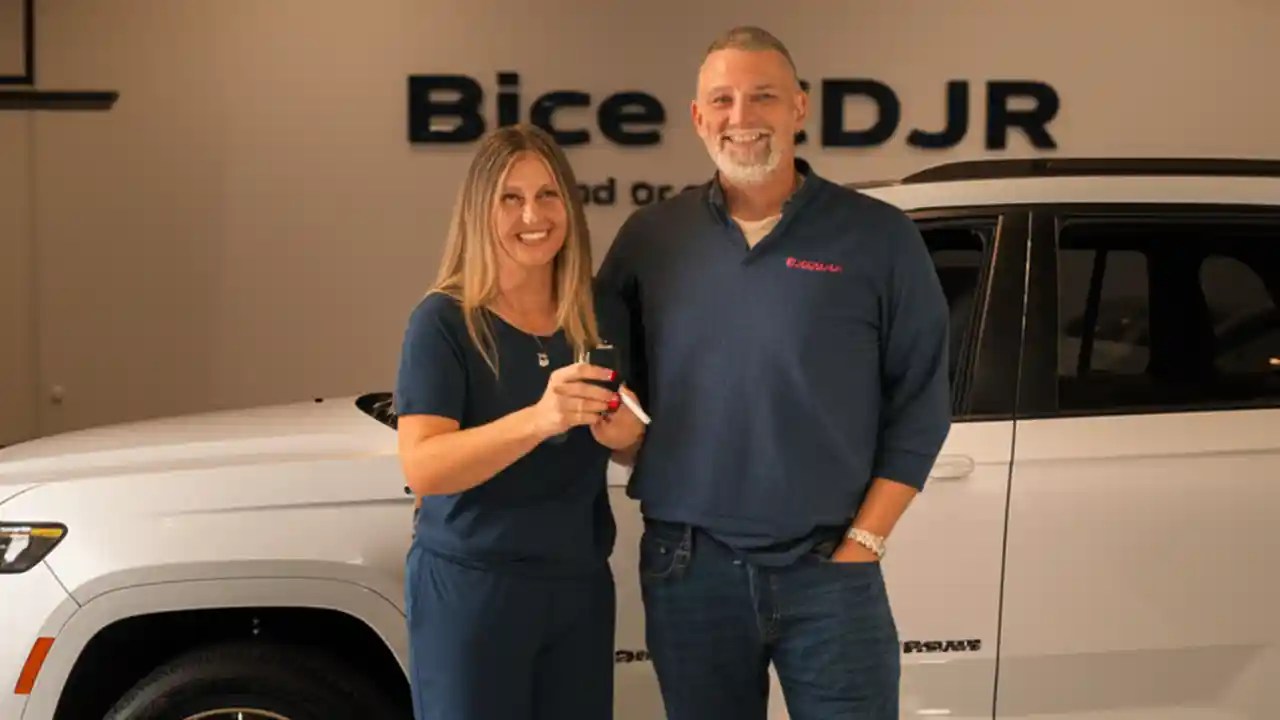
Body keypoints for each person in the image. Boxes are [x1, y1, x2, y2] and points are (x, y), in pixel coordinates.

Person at [596, 26, 952, 720]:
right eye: (722, 100)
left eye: (763, 96)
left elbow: (922, 401)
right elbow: (609, 378)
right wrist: (619, 435)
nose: (742, 117)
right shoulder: (650, 238)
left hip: (830, 569)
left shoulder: (879, 237)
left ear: (799, 107)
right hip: (688, 567)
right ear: (698, 118)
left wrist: (864, 543)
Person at [395, 123, 646, 720]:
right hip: (473, 590)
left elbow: (630, 437)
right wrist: (538, 419)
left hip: (578, 587)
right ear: (481, 211)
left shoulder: (601, 310)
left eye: (547, 194)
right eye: (511, 197)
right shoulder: (443, 322)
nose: (532, 214)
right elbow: (424, 467)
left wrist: (628, 440)